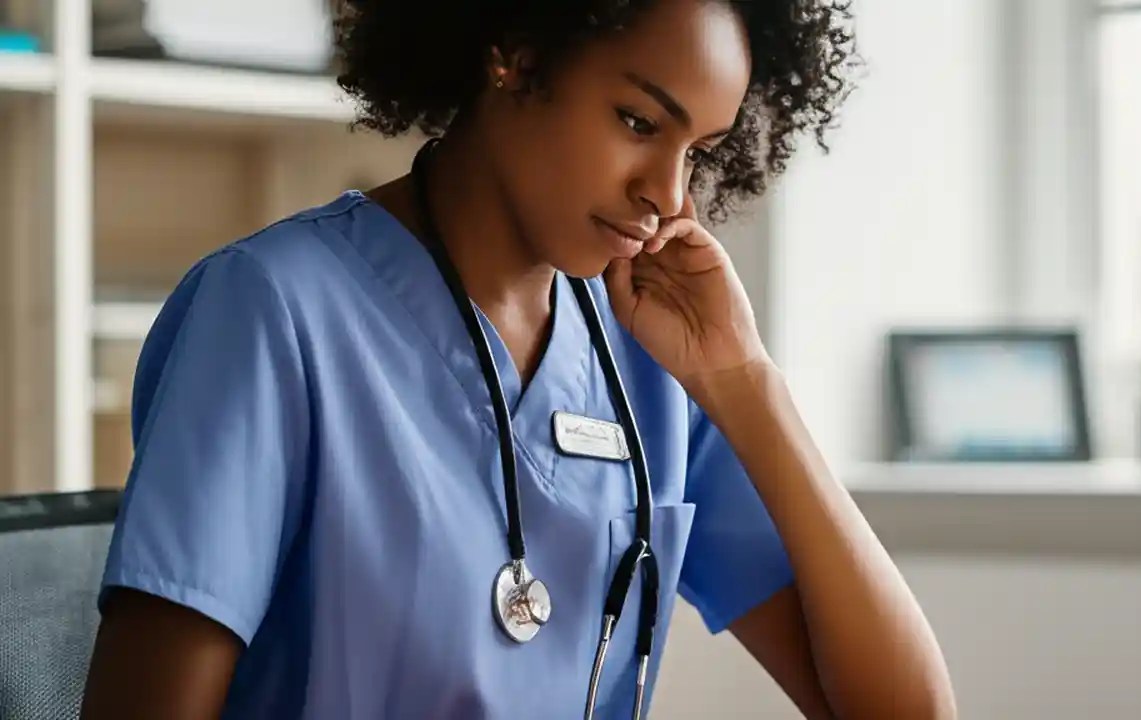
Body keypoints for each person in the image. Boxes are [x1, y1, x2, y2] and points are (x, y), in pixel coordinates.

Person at [79, 1, 956, 718]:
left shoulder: (654, 360)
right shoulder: (272, 310)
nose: (670, 194)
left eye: (700, 151)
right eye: (638, 120)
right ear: (516, 52)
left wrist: (747, 384)